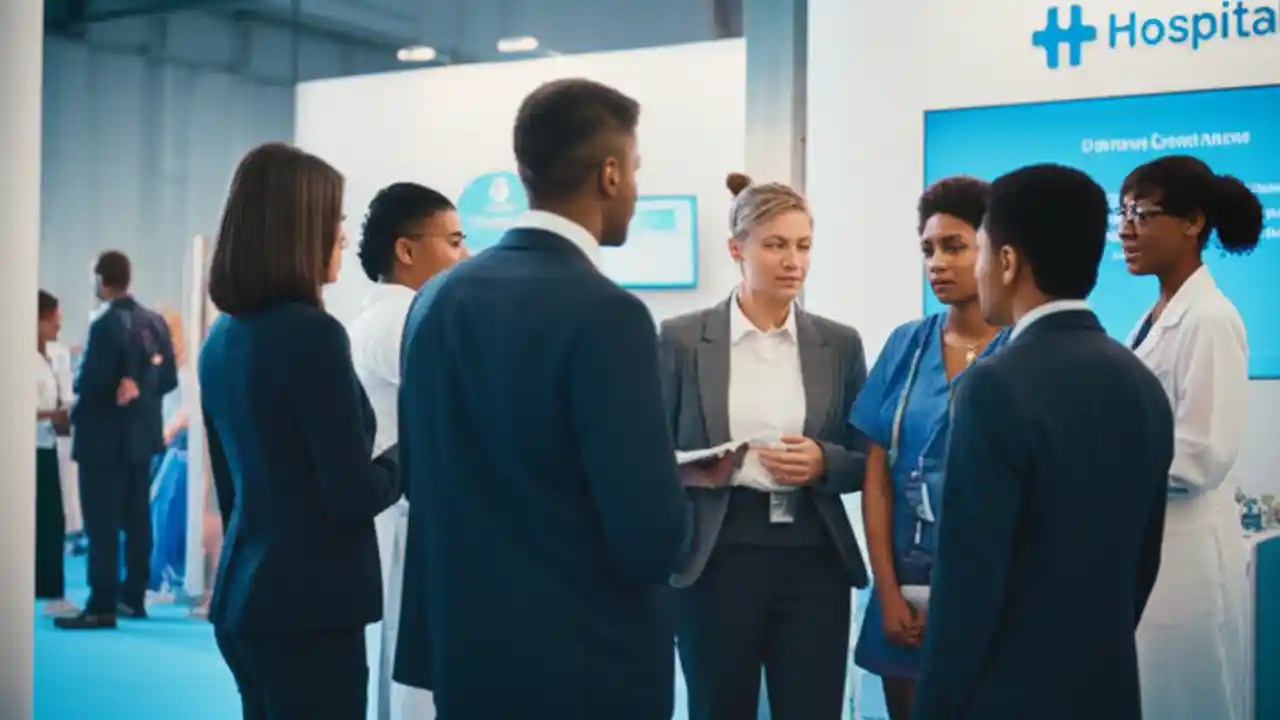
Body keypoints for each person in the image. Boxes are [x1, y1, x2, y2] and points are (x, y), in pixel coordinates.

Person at [394, 78, 692, 719]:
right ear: (609, 174)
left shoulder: (435, 300)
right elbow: (646, 535)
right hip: (583, 664)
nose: (636, 190)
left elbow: (421, 474)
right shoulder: (608, 314)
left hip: (467, 653)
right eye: (636, 170)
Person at [913, 164, 1173, 719]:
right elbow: (1141, 565)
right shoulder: (1140, 381)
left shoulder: (993, 384)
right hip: (1105, 686)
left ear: (1007, 263)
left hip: (1007, 695)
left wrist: (934, 704)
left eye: (979, 251)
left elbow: (969, 579)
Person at [200, 142, 402, 719]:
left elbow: (233, 489)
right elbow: (350, 495)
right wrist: (411, 449)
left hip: (246, 599)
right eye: (334, 217)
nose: (342, 233)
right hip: (309, 610)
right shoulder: (312, 336)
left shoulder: (224, 338)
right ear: (298, 226)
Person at [658, 174, 868, 720]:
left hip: (813, 560)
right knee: (718, 708)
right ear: (737, 249)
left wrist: (824, 461)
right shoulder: (681, 340)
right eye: (775, 244)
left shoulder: (838, 343)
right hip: (715, 559)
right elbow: (647, 456)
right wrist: (707, 468)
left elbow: (865, 459)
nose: (791, 261)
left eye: (802, 246)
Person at [848, 176, 1007, 719]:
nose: (937, 262)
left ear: (994, 249)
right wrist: (886, 591)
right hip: (907, 591)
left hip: (993, 593)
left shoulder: (1022, 349)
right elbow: (877, 478)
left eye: (954, 246)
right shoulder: (906, 344)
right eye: (928, 249)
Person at [1118, 155, 1258, 720]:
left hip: (1186, 555)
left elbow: (1201, 454)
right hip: (1151, 548)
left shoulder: (1210, 319)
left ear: (1192, 222)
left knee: (1184, 697)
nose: (1125, 230)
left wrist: (1099, 459)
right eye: (1121, 214)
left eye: (1142, 214)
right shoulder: (1156, 313)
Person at [348, 182, 468, 720]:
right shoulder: (400, 320)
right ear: (406, 250)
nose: (464, 256)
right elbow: (466, 398)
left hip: (407, 514)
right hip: (403, 519)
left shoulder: (394, 316)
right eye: (455, 240)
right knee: (411, 675)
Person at [57, 250, 178, 630]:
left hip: (102, 441)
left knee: (102, 523)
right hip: (142, 439)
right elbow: (169, 378)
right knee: (139, 521)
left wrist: (116, 388)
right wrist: (140, 389)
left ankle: (101, 604)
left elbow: (90, 382)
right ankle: (133, 597)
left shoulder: (103, 324)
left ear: (99, 279)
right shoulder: (155, 323)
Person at [35, 290, 78, 617]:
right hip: (29, 450)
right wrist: (55, 415)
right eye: (54, 322)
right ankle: (44, 590)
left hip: (47, 445)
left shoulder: (49, 356)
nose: (58, 328)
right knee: (45, 520)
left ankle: (50, 590)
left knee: (53, 521)